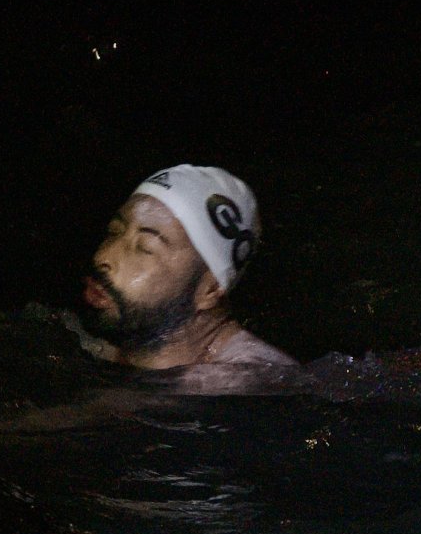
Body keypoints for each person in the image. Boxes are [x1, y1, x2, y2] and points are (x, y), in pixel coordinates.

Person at [75, 164, 295, 386]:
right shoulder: (103, 346)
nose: (104, 258)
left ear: (210, 289)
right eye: (114, 232)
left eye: (144, 248)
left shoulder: (248, 382)